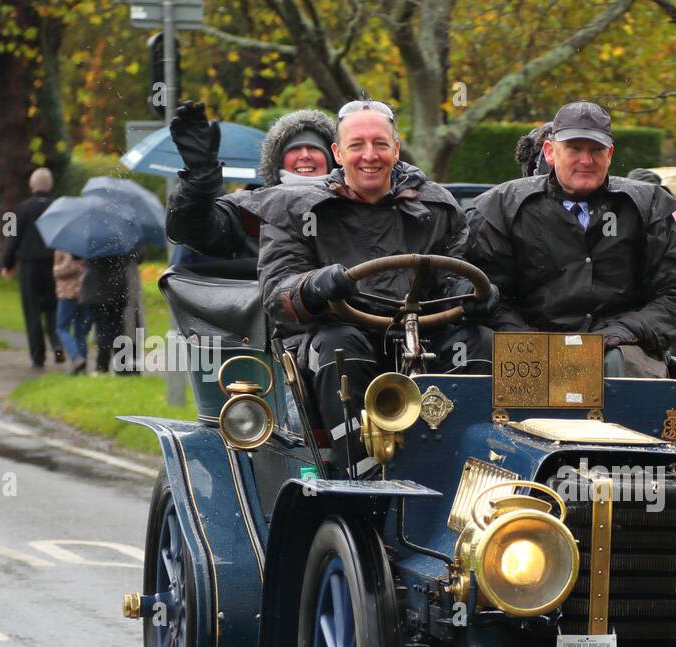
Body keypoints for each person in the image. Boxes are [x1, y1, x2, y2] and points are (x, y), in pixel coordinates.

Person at [251, 99, 492, 469]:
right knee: (341, 347)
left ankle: (459, 465)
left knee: (477, 342)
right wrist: (314, 286)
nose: (370, 156)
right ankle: (359, 475)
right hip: (333, 340)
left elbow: (456, 277)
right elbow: (276, 292)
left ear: (396, 149)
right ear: (337, 153)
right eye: (357, 145)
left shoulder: (438, 207)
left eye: (380, 144)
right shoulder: (295, 208)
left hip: (420, 338)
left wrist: (471, 298)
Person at [471, 102, 676, 378]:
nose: (586, 160)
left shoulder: (647, 207)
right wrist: (525, 340)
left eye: (596, 150)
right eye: (574, 149)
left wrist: (623, 332)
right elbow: (486, 293)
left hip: (624, 351)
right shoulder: (504, 207)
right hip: (525, 351)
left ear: (610, 155)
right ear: (550, 152)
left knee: (621, 370)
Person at [165, 102, 337, 261]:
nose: (305, 155)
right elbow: (189, 230)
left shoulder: (353, 203)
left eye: (314, 148)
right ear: (278, 161)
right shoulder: (250, 208)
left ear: (332, 158)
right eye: (295, 149)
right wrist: (200, 177)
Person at [1, 167, 62, 368]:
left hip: (29, 267)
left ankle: (38, 357)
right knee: (53, 309)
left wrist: (7, 264)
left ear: (32, 185)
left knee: (32, 311)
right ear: (50, 185)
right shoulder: (58, 207)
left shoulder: (21, 209)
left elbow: (12, 238)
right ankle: (58, 345)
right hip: (53, 265)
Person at [79, 253, 133, 374]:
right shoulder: (121, 240)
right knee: (118, 329)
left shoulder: (91, 239)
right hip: (117, 289)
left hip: (96, 291)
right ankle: (122, 368)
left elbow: (76, 256)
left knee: (102, 330)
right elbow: (136, 257)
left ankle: (102, 367)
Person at [52, 250, 91, 374]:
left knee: (61, 328)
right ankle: (82, 365)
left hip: (68, 294)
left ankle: (76, 357)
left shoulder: (63, 248)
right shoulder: (87, 246)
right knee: (80, 331)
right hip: (84, 293)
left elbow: (63, 270)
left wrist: (55, 271)